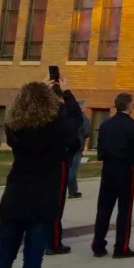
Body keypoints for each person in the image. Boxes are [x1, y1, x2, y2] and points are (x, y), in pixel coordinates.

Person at [0, 76, 82, 268]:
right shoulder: (56, 128)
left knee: (4, 255)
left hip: (15, 195)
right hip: (43, 198)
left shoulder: (14, 127)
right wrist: (65, 93)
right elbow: (76, 121)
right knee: (32, 259)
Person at [91, 93, 134, 259]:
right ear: (129, 105)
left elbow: (100, 148)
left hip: (108, 168)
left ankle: (98, 244)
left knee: (103, 207)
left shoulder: (105, 124)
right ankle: (121, 247)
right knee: (124, 209)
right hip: (125, 169)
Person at [45, 84, 82, 256]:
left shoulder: (37, 114)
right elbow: (76, 117)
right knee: (55, 204)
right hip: (57, 161)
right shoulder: (61, 116)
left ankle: (38, 239)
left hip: (37, 163)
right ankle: (53, 243)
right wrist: (67, 92)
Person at [66, 101, 91, 199]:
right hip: (78, 146)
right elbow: (86, 132)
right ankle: (70, 190)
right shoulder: (83, 118)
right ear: (81, 107)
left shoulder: (68, 117)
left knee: (69, 167)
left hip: (68, 147)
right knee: (73, 169)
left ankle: (73, 190)